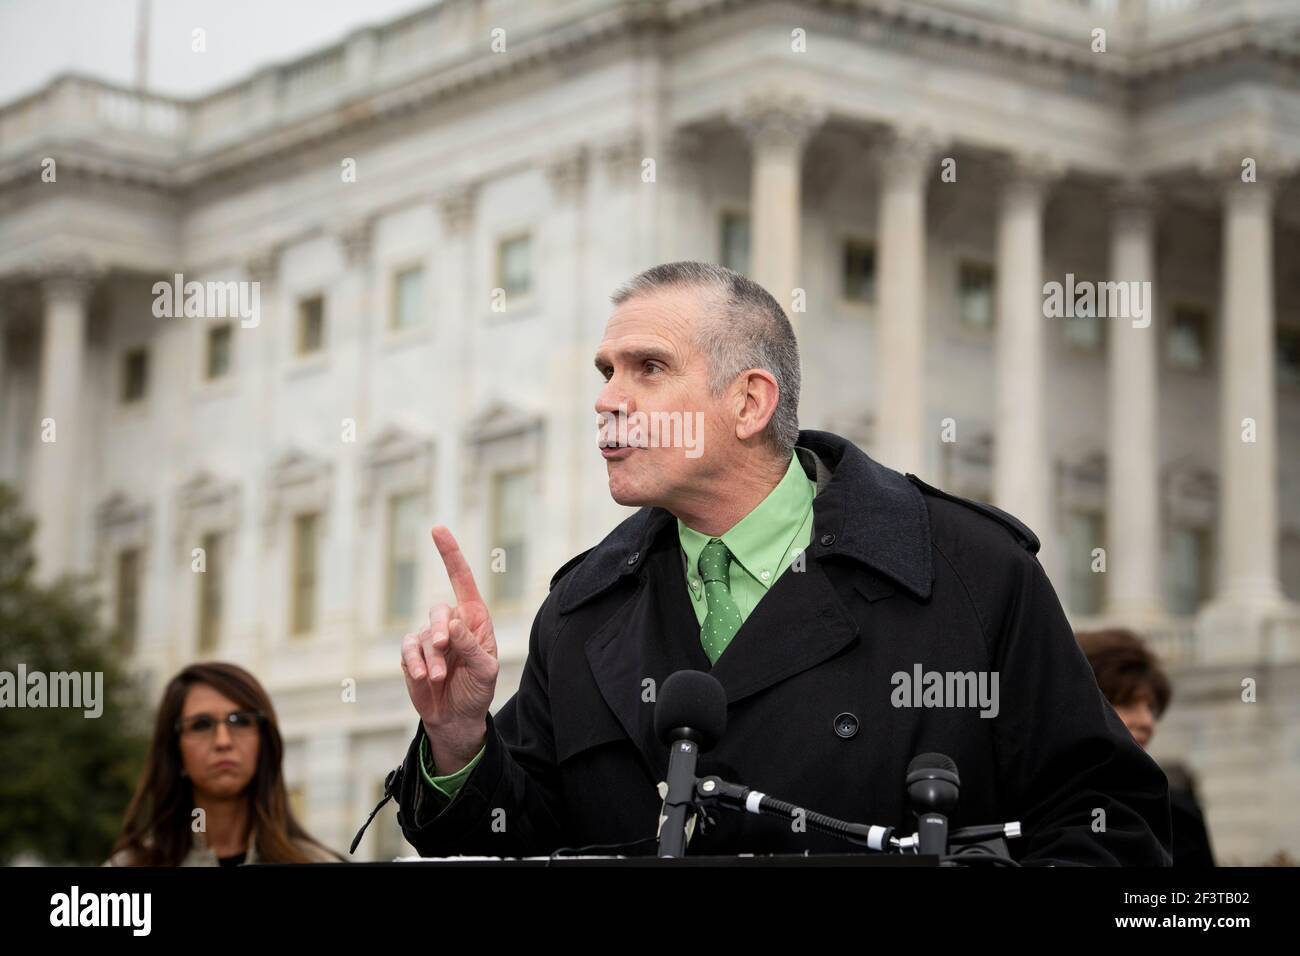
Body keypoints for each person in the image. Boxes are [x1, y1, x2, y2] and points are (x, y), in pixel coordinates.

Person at [386, 261, 1171, 865]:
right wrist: (458, 739)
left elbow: (1110, 821)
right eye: (605, 372)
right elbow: (515, 840)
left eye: (647, 368)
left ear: (750, 403)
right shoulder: (581, 610)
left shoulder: (971, 570)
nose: (607, 399)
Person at [108, 662, 339, 865]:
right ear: (174, 750)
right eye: (201, 725)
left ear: (264, 742)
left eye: (240, 721)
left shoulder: (315, 862)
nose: (223, 741)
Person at [1076, 628, 1216, 867]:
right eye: (1126, 702)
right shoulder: (1030, 802)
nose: (1147, 721)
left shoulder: (1177, 815)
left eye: (1151, 707)